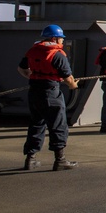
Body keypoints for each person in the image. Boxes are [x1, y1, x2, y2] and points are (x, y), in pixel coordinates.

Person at [18, 24, 78, 171]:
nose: (62, 42)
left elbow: (21, 68)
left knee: (36, 124)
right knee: (58, 125)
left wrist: (33, 76)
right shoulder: (57, 54)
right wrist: (73, 86)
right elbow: (68, 78)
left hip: (34, 91)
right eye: (61, 39)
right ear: (54, 38)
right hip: (51, 92)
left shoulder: (32, 51)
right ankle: (60, 160)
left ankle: (30, 159)